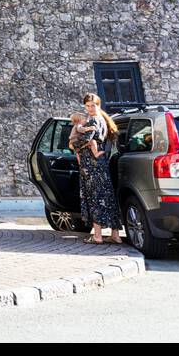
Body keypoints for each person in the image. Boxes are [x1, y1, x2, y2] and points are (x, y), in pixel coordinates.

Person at [76, 93, 123, 245]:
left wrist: (73, 144)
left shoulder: (93, 120)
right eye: (87, 106)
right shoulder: (103, 119)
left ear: (98, 105)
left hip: (91, 164)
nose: (90, 108)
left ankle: (97, 236)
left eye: (93, 105)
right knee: (107, 197)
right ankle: (115, 235)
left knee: (95, 198)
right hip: (101, 163)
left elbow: (85, 139)